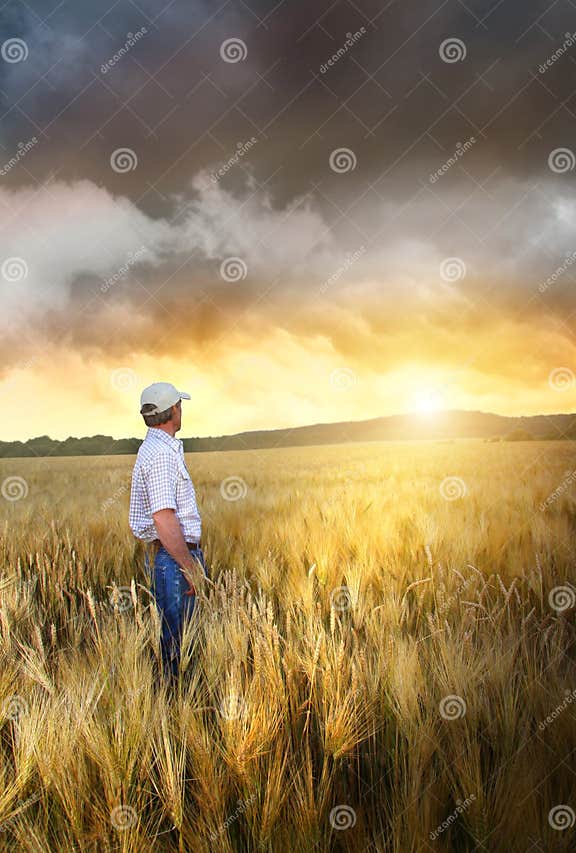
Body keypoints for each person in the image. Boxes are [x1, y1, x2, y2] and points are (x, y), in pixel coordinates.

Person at [128, 381, 210, 678]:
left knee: (178, 642)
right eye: (179, 405)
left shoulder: (154, 449)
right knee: (180, 647)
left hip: (170, 559)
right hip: (175, 561)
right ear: (172, 410)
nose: (181, 410)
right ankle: (179, 706)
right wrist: (189, 566)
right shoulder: (162, 454)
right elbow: (163, 518)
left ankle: (176, 704)